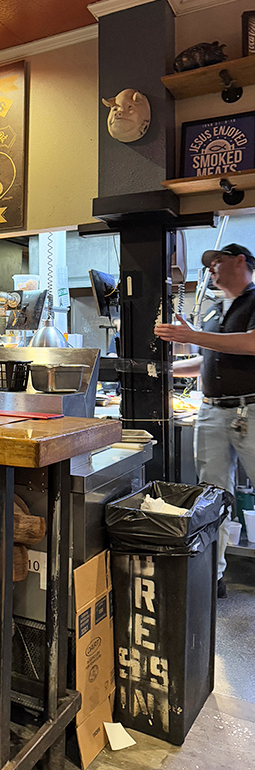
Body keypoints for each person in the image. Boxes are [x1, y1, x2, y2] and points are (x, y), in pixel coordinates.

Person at [154, 242, 255, 599]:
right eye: (210, 264)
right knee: (213, 496)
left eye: (217, 262)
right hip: (212, 410)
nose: (211, 269)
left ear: (241, 260)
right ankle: (214, 574)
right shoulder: (214, 310)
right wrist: (165, 370)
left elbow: (251, 343)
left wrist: (193, 336)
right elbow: (209, 359)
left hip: (250, 410)